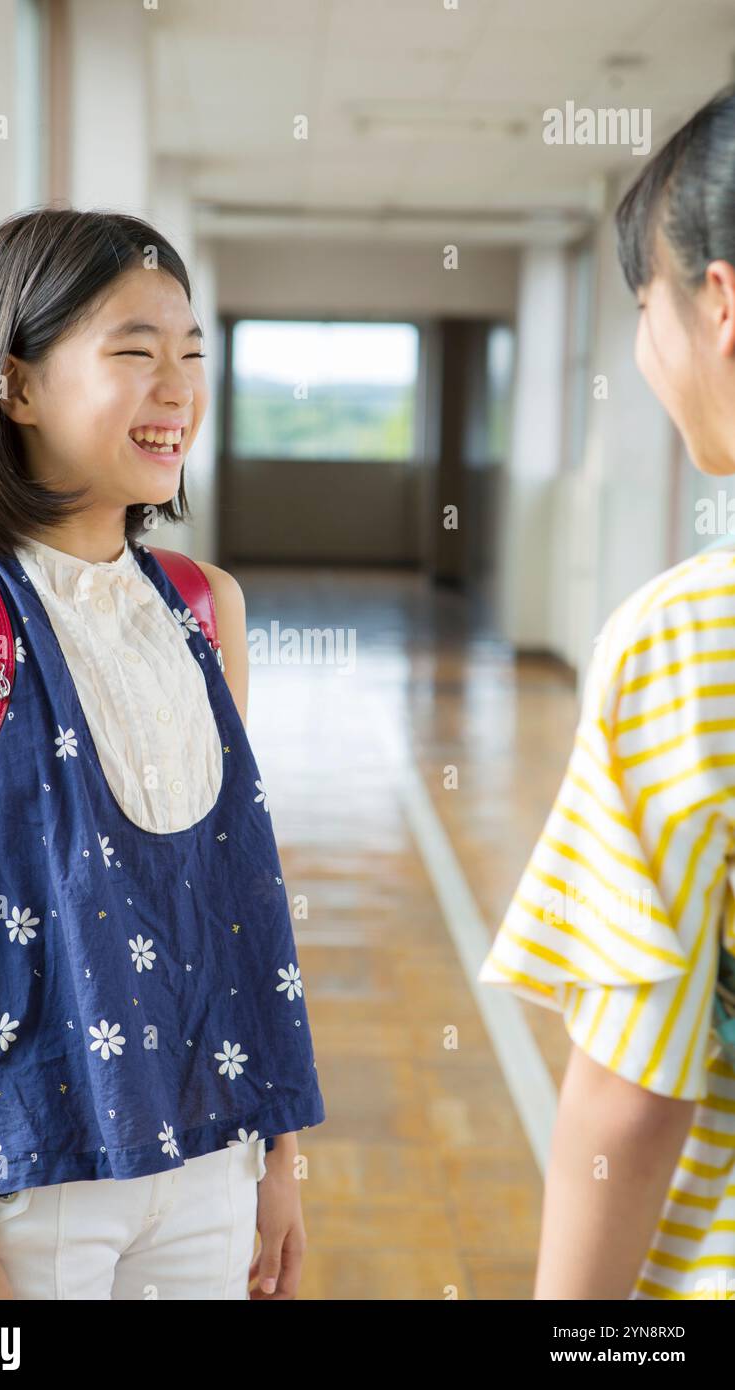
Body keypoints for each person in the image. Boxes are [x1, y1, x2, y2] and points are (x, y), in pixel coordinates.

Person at [0, 207, 325, 1300]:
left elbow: (238, 896)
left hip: (211, 1151)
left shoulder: (206, 607)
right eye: (133, 353)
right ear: (16, 384)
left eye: (192, 355)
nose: (177, 389)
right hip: (28, 1175)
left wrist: (278, 1162)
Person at [478, 81, 735, 1300]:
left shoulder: (689, 642)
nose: (644, 350)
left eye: (645, 305)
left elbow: (627, 1093)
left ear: (716, 304)